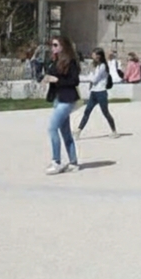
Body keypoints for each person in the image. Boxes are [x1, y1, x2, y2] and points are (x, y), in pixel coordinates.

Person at [42, 36, 81, 175]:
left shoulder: (71, 62)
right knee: (65, 132)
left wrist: (57, 80)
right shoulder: (55, 61)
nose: (52, 47)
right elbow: (49, 75)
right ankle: (73, 162)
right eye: (52, 45)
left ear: (63, 46)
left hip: (67, 99)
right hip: (58, 99)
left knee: (52, 128)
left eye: (55, 45)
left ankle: (56, 161)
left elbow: (74, 81)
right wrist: (46, 78)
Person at [75, 48, 119, 140]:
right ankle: (78, 131)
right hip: (94, 93)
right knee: (87, 111)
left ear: (98, 56)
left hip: (101, 93)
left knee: (105, 113)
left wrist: (85, 78)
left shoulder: (103, 66)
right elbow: (90, 76)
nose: (92, 56)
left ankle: (114, 131)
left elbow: (94, 79)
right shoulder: (96, 66)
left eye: (94, 54)